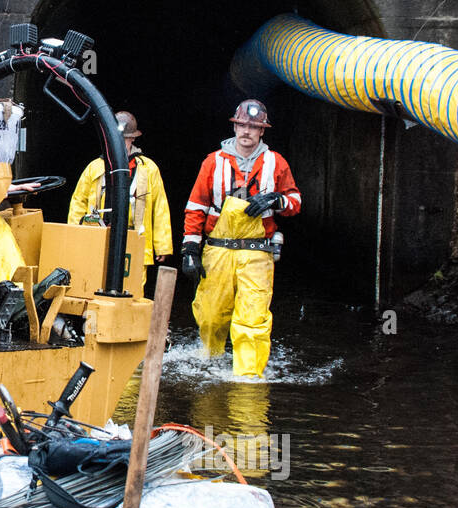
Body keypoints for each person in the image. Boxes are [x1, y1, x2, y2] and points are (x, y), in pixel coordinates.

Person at [181, 99, 301, 377]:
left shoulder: (275, 162)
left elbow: (295, 201)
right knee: (211, 315)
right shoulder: (213, 162)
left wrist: (276, 199)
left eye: (253, 127)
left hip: (257, 253)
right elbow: (196, 206)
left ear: (262, 131)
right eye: (242, 125)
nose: (247, 131)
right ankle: (211, 359)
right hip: (218, 250)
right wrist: (189, 248)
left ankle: (247, 378)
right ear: (235, 127)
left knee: (252, 319)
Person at [67, 110, 172, 298]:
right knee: (94, 287)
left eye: (124, 139)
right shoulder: (95, 168)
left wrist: (163, 245)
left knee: (133, 291)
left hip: (135, 239)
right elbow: (78, 203)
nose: (119, 144)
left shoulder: (148, 169)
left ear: (133, 140)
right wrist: (76, 236)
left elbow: (160, 208)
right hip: (98, 237)